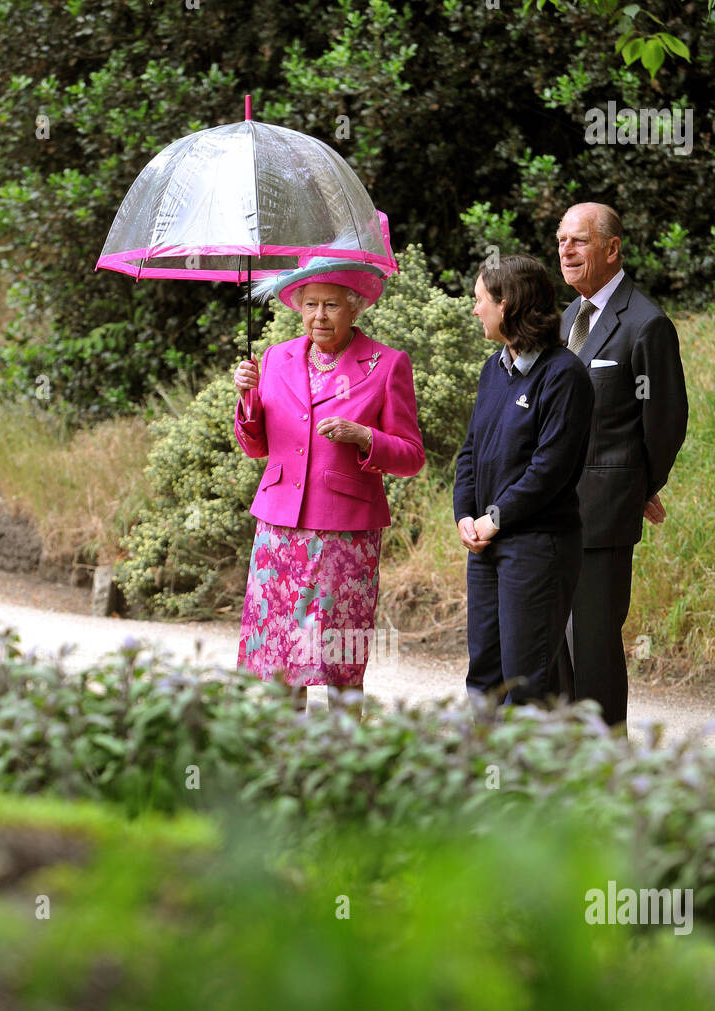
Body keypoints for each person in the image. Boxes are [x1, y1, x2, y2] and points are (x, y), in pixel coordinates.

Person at [233, 256, 425, 714]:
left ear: (355, 308)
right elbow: (256, 446)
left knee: (338, 654)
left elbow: (412, 456)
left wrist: (365, 437)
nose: (320, 315)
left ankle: (346, 762)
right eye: (311, 304)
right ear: (298, 306)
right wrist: (246, 399)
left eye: (332, 305)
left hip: (345, 535)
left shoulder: (386, 364)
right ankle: (284, 757)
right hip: (279, 529)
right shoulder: (276, 358)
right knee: (280, 653)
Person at [556, 202, 688, 726]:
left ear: (612, 249)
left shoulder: (647, 323)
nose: (565, 250)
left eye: (579, 241)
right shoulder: (568, 317)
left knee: (593, 646)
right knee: (556, 648)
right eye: (561, 240)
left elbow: (666, 422)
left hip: (604, 515)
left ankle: (608, 766)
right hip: (553, 511)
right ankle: (562, 761)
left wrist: (637, 484)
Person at [453, 253, 594, 707]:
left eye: (480, 300)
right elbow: (471, 451)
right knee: (485, 676)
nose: (475, 309)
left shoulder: (564, 375)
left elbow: (549, 468)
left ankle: (523, 777)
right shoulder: (493, 370)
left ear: (507, 303)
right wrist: (466, 518)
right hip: (487, 544)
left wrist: (496, 518)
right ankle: (486, 773)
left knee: (525, 682)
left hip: (537, 547)